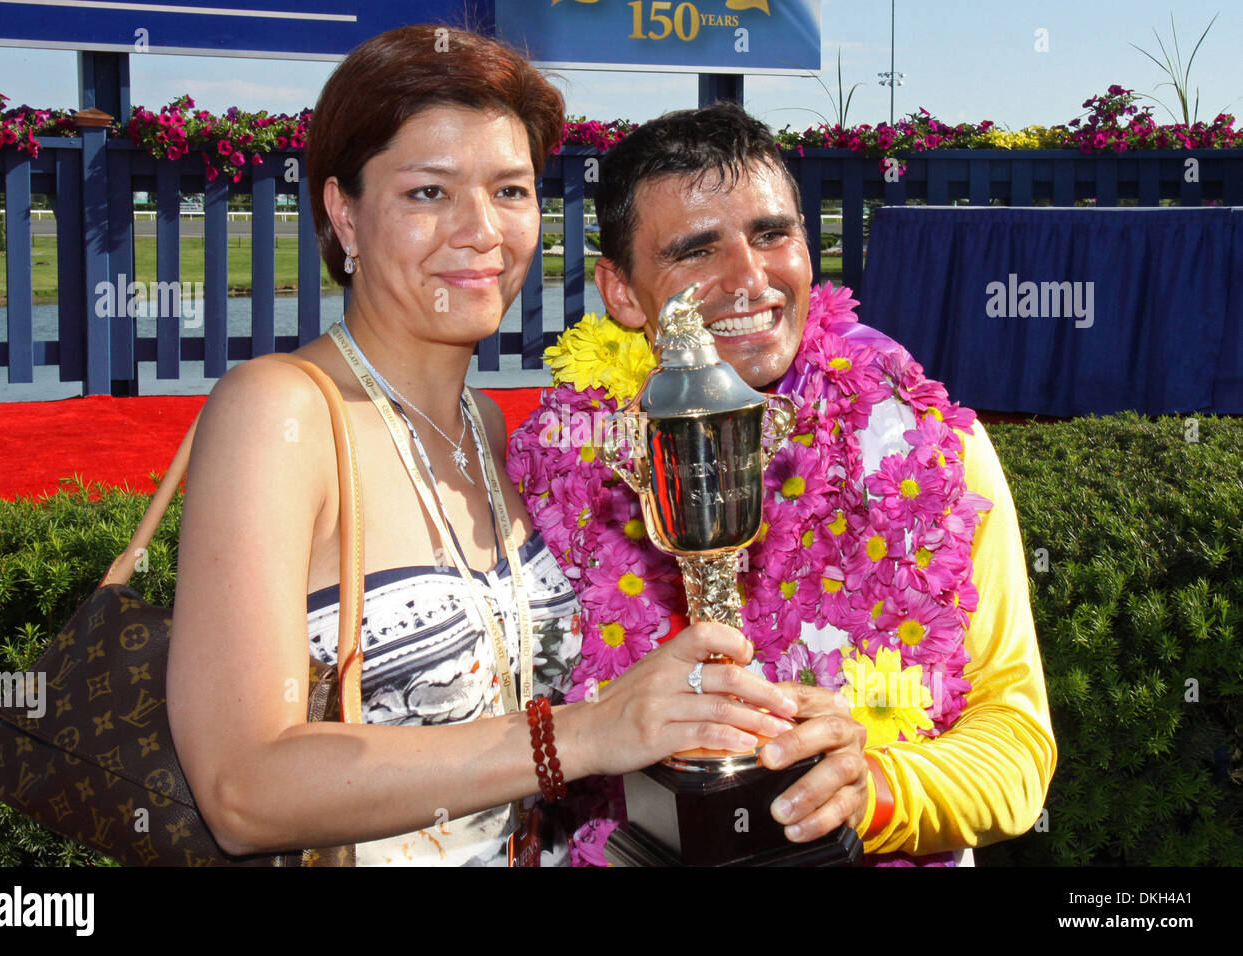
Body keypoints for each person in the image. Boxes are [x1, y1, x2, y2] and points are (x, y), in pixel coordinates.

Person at [167, 27, 805, 867]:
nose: (481, 232)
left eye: (509, 190)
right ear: (342, 213)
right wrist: (579, 735)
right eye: (429, 193)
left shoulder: (489, 427)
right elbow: (241, 788)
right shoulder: (278, 414)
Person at [508, 102, 1057, 865]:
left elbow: (1016, 743)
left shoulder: (935, 448)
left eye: (773, 234)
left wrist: (873, 791)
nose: (748, 278)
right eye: (696, 250)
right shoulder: (555, 470)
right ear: (623, 292)